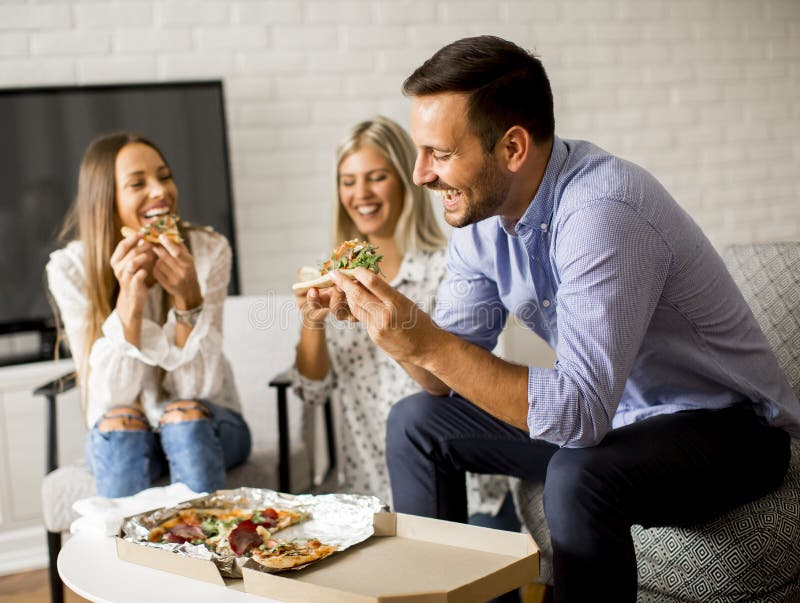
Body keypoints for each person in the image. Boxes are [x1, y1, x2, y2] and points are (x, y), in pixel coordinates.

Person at [324, 37, 800, 602]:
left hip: (727, 429)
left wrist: (428, 344)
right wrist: (392, 327)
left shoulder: (602, 211)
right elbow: (438, 377)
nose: (422, 174)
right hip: (619, 420)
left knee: (577, 476)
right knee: (418, 422)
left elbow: (579, 416)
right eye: (420, 151)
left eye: (441, 153)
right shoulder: (477, 216)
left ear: (513, 147)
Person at [291, 115, 514, 530]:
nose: (361, 194)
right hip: (369, 494)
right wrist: (311, 322)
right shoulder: (332, 279)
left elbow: (462, 384)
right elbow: (312, 391)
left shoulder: (452, 267)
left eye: (376, 177)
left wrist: (390, 323)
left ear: (404, 180)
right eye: (348, 181)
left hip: (462, 488)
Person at [47, 132, 251, 498]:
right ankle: (125, 553)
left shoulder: (208, 250)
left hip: (210, 424)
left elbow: (197, 391)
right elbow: (111, 399)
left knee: (184, 418)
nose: (160, 191)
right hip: (127, 431)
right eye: (138, 183)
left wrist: (189, 300)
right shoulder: (71, 269)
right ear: (106, 201)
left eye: (165, 176)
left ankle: (201, 552)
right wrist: (130, 302)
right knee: (120, 427)